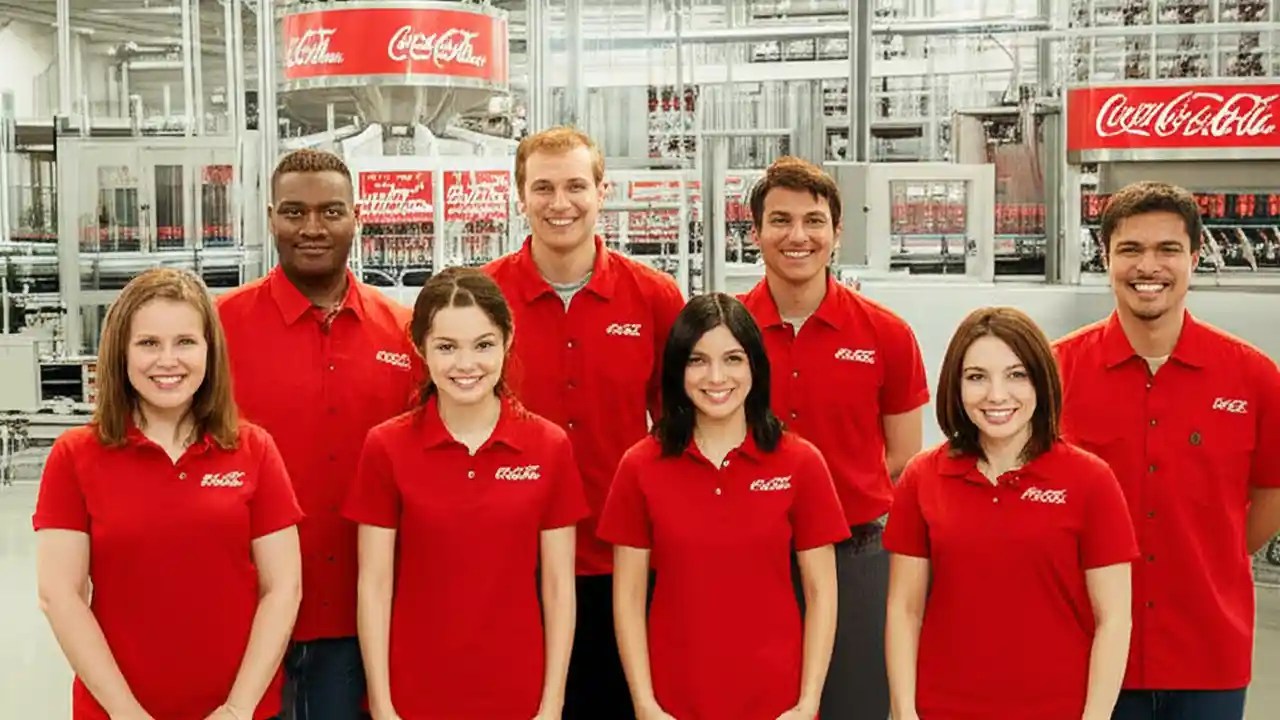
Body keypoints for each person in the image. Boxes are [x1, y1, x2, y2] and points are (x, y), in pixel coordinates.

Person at [1052, 181, 1280, 720]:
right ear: (1104, 256)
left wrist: (1210, 552)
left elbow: (1271, 493)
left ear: (1195, 258)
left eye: (1168, 250)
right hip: (1083, 654)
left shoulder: (1254, 378)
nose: (1147, 266)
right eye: (1130, 249)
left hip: (1209, 655)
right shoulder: (1055, 373)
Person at [34, 267, 303, 720]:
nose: (168, 360)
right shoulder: (75, 456)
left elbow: (283, 588)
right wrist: (125, 712)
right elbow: (60, 595)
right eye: (148, 344)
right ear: (121, 352)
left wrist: (238, 708)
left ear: (209, 350)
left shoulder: (254, 449)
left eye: (185, 342)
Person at [483, 125, 687, 719]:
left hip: (621, 564)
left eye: (576, 185)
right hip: (510, 569)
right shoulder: (483, 297)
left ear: (603, 190)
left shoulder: (654, 298)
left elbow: (678, 428)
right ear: (519, 195)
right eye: (542, 187)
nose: (560, 203)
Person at [217, 148, 421, 719]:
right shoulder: (218, 330)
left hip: (364, 621)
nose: (311, 228)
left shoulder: (406, 333)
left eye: (331, 211)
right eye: (293, 212)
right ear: (270, 217)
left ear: (357, 215)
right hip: (245, 618)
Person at [344, 267, 586, 719]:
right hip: (415, 694)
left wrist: (551, 705)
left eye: (483, 345)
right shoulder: (386, 447)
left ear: (507, 339)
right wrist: (383, 704)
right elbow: (374, 586)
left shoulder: (549, 447)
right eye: (447, 347)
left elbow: (558, 587)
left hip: (519, 693)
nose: (466, 365)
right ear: (420, 348)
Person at [739, 155, 930, 719]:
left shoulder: (887, 335)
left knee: (856, 705)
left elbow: (902, 458)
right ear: (756, 232)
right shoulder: (726, 332)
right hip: (752, 557)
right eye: (780, 220)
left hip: (858, 558)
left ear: (836, 232)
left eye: (814, 221)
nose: (797, 236)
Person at [599, 292, 849, 720]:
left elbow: (822, 593)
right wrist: (644, 703)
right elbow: (628, 595)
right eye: (698, 360)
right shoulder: (640, 466)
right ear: (677, 369)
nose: (716, 377)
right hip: (674, 703)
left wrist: (808, 703)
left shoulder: (800, 462)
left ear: (755, 365)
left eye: (733, 359)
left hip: (777, 703)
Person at [883, 306, 1138, 720]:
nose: (996, 395)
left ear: (1041, 380)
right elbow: (904, 610)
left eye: (1017, 375)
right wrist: (905, 711)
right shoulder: (923, 478)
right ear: (955, 385)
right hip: (943, 708)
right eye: (976, 377)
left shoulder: (1090, 480)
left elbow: (1113, 619)